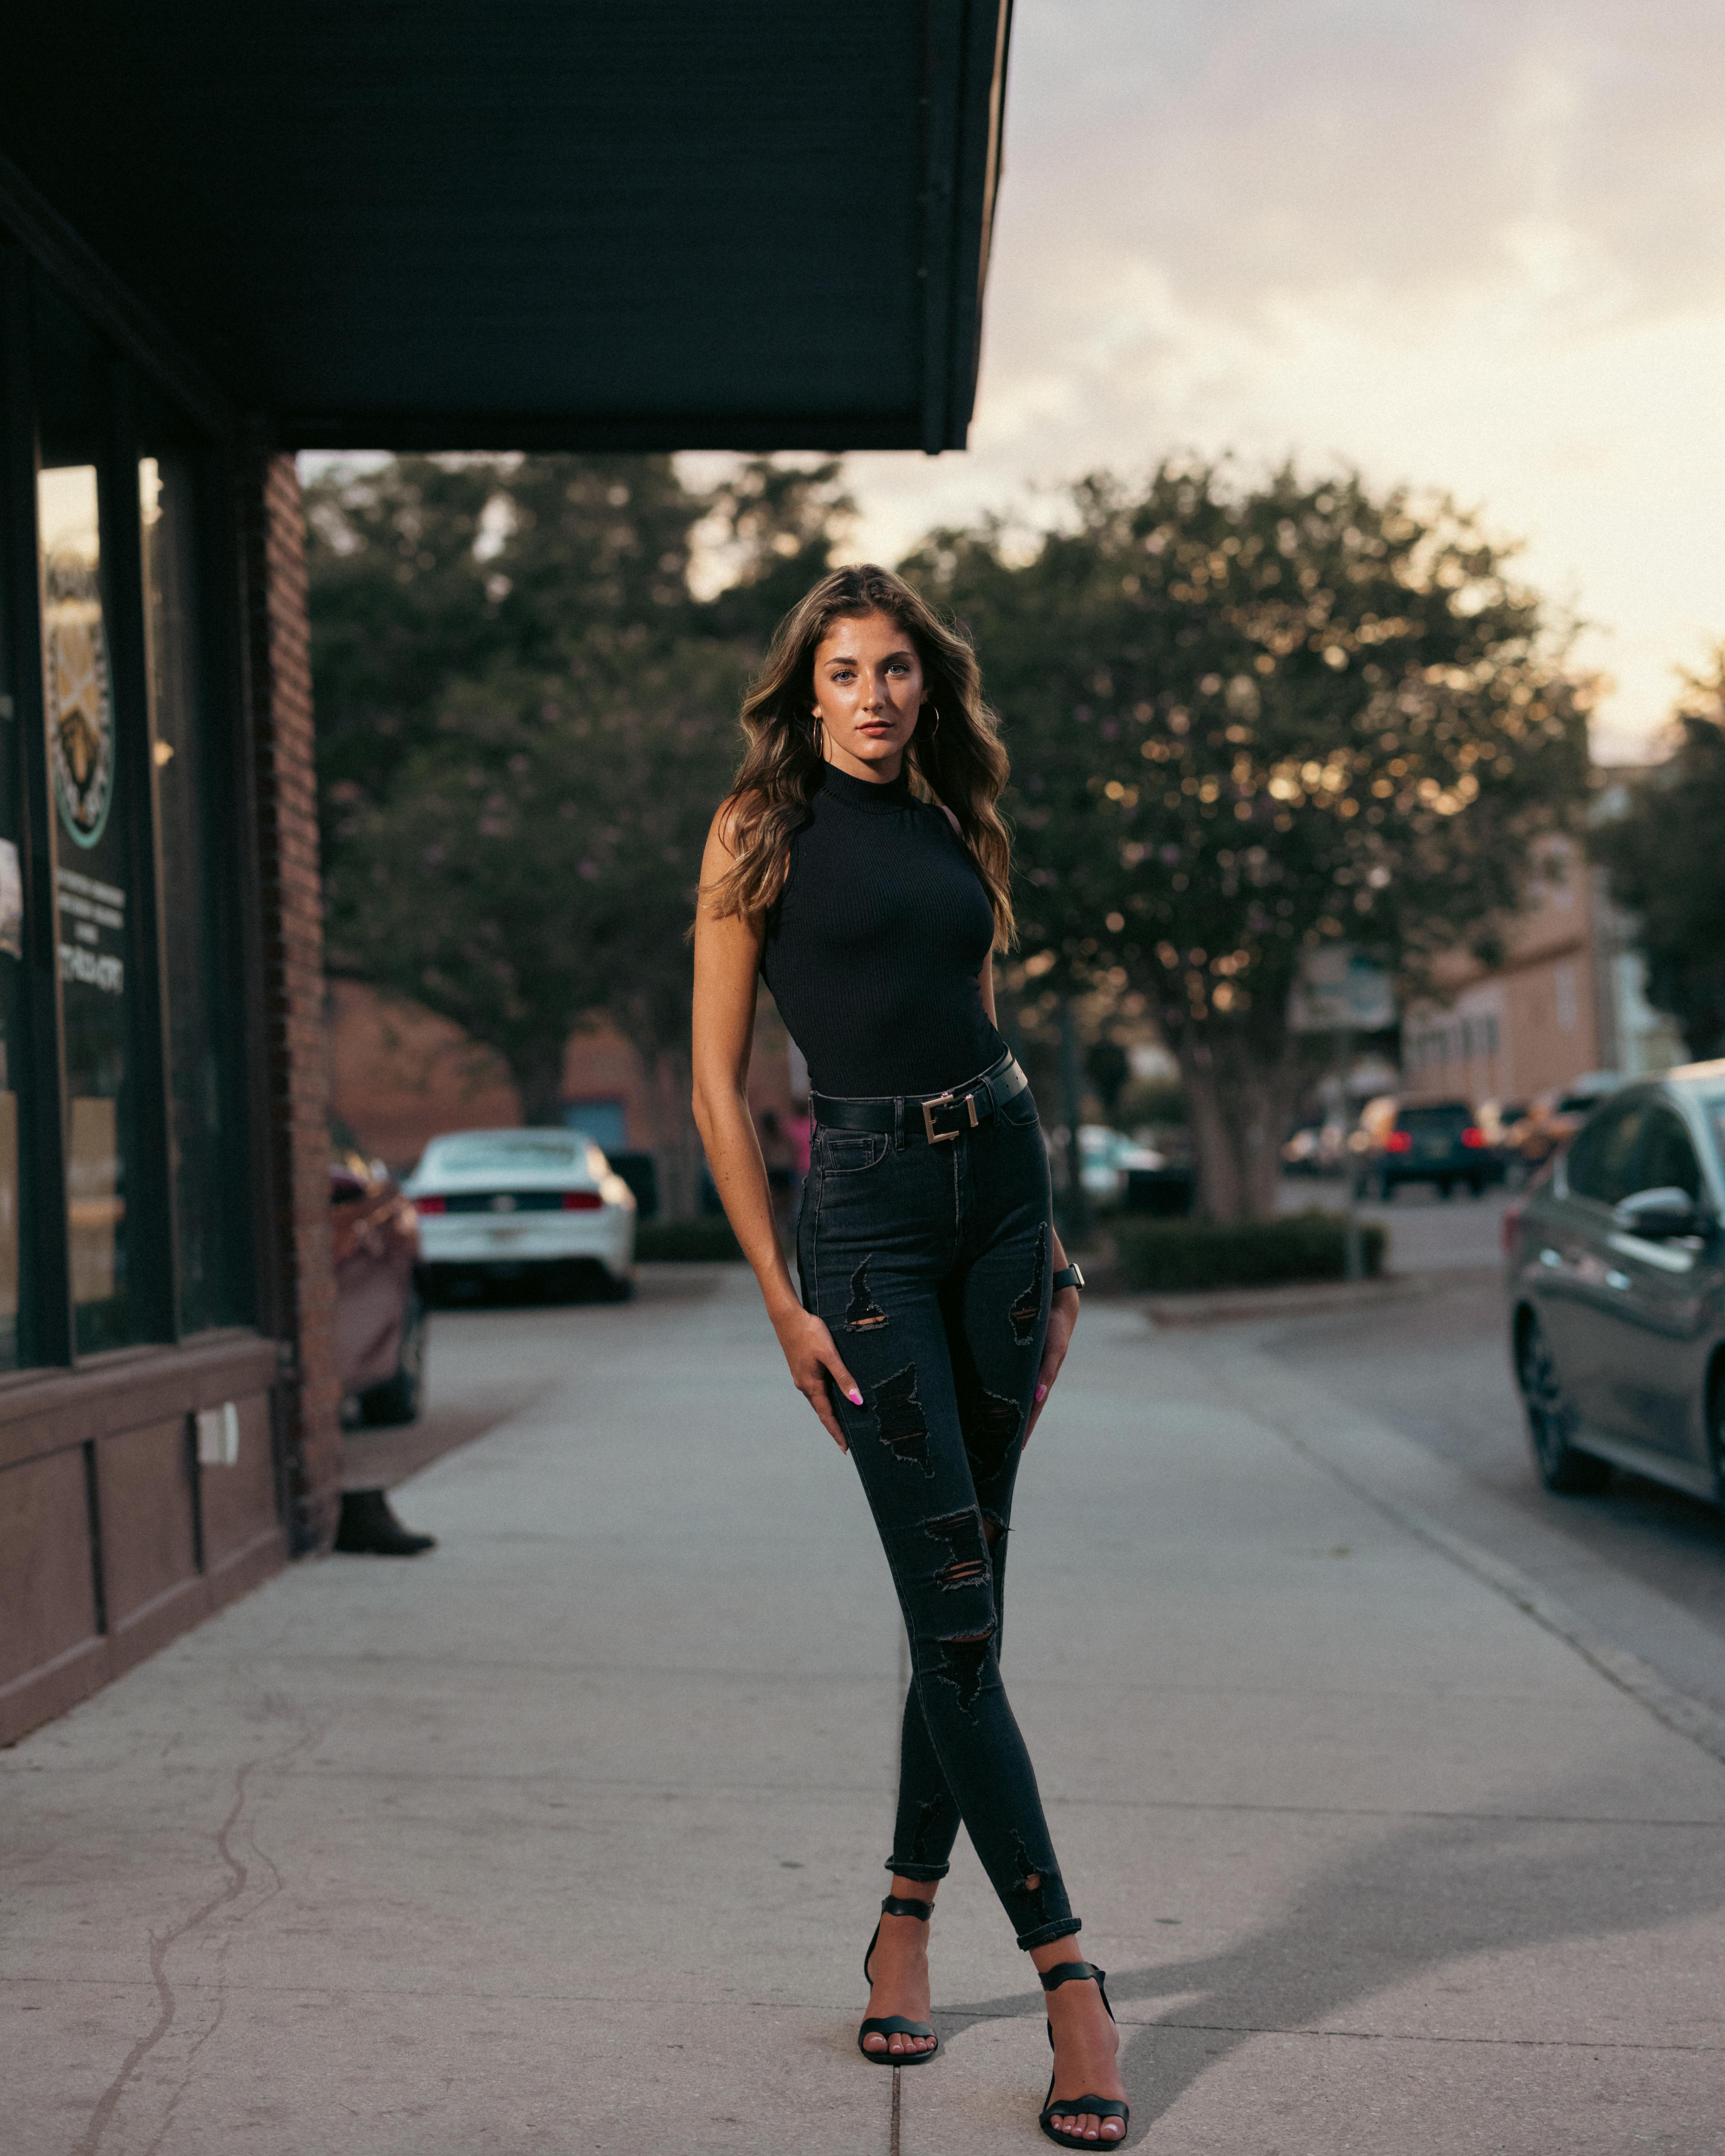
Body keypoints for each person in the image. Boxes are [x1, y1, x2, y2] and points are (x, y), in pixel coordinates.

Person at [691, 566, 1128, 2147]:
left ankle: (899, 1915)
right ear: (804, 692)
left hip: (1002, 1207)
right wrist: (777, 1298)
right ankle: (1072, 1977)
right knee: (951, 1606)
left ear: (924, 686)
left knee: (970, 1603)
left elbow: (984, 1018)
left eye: (896, 669)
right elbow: (713, 1091)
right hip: (865, 1225)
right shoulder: (758, 830)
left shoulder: (954, 824)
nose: (874, 693)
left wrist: (1059, 1245)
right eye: (844, 671)